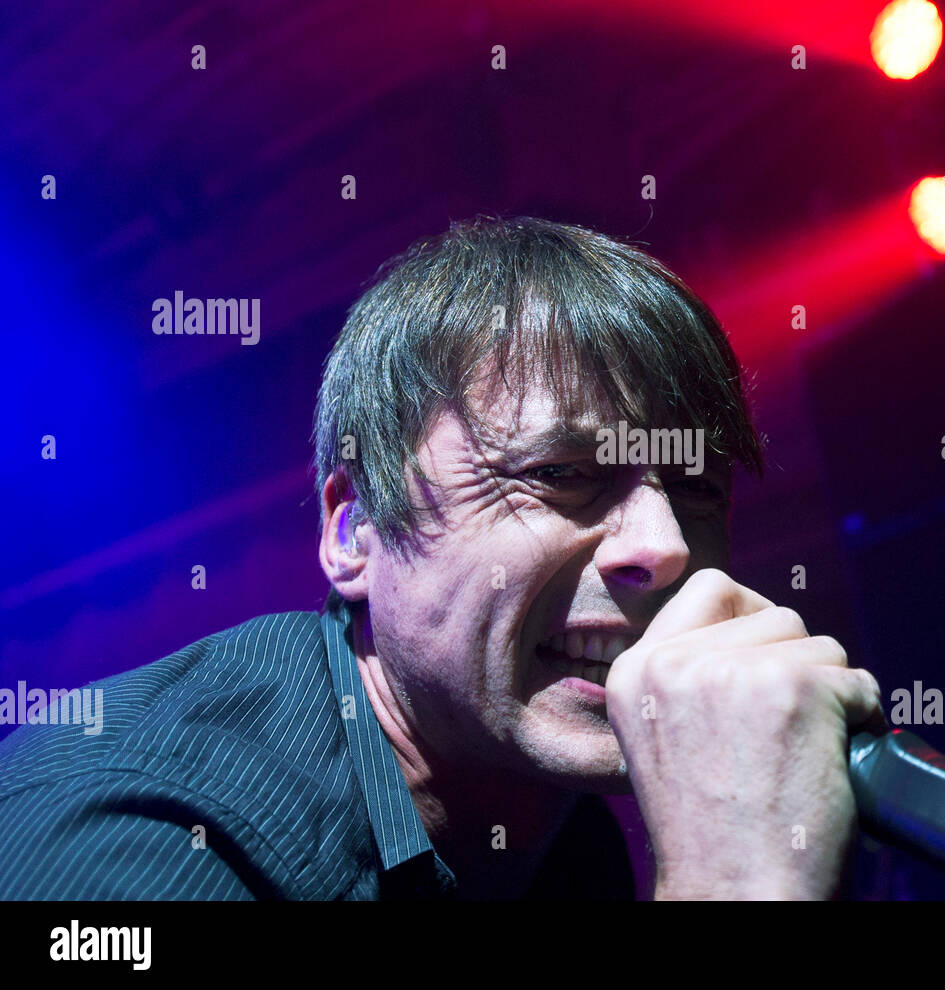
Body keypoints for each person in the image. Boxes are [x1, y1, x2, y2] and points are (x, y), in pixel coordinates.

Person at [0, 216, 885, 900]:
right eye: (562, 473)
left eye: (697, 489)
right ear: (352, 533)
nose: (664, 545)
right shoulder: (137, 841)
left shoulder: (567, 838)